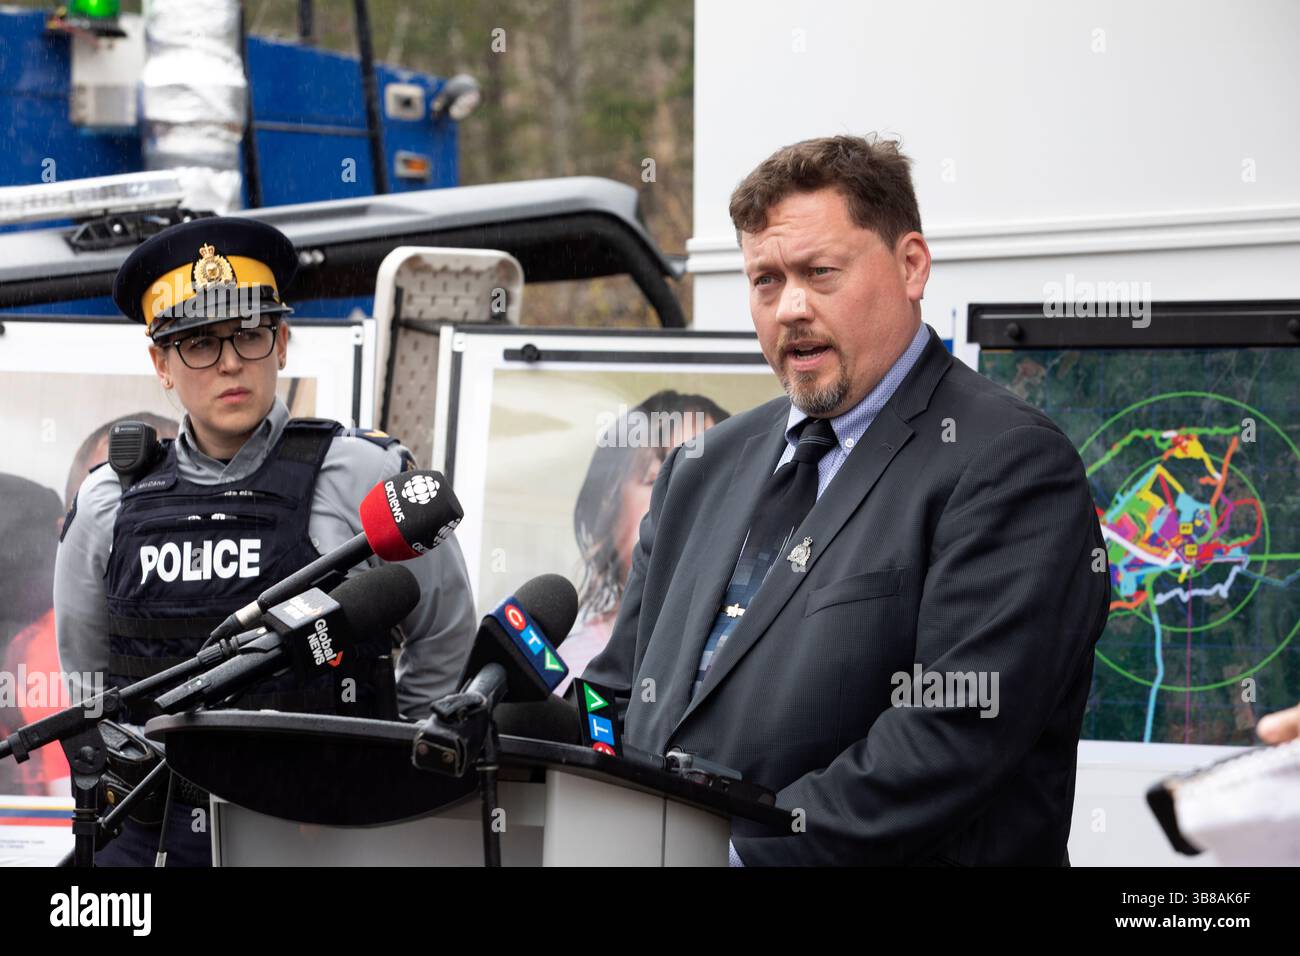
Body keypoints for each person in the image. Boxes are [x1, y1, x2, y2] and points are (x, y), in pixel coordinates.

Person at [582, 134, 1111, 865]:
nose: (791, 307)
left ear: (911, 265)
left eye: (820, 272)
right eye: (765, 281)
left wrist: (726, 858)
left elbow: (946, 737)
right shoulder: (702, 467)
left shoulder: (1011, 466)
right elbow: (617, 696)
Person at [54, 216, 477, 865]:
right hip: (159, 831)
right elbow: (88, 678)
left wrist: (386, 766)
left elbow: (444, 630)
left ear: (281, 343)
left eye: (248, 336)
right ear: (160, 363)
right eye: (197, 342)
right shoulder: (108, 500)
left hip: (321, 831)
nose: (228, 363)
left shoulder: (365, 473)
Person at [559, 390, 729, 693]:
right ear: (608, 508)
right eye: (655, 480)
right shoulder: (569, 670)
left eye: (708, 480)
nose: (682, 500)